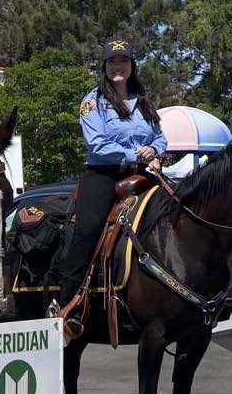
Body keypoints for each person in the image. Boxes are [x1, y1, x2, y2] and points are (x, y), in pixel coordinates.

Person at [53, 38, 167, 336]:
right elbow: (97, 144)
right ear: (104, 67)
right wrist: (134, 153)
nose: (118, 66)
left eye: (124, 61)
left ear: (132, 66)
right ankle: (67, 303)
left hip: (143, 174)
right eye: (113, 62)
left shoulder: (142, 99)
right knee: (88, 229)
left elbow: (160, 136)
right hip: (104, 175)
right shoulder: (93, 101)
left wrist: (154, 151)